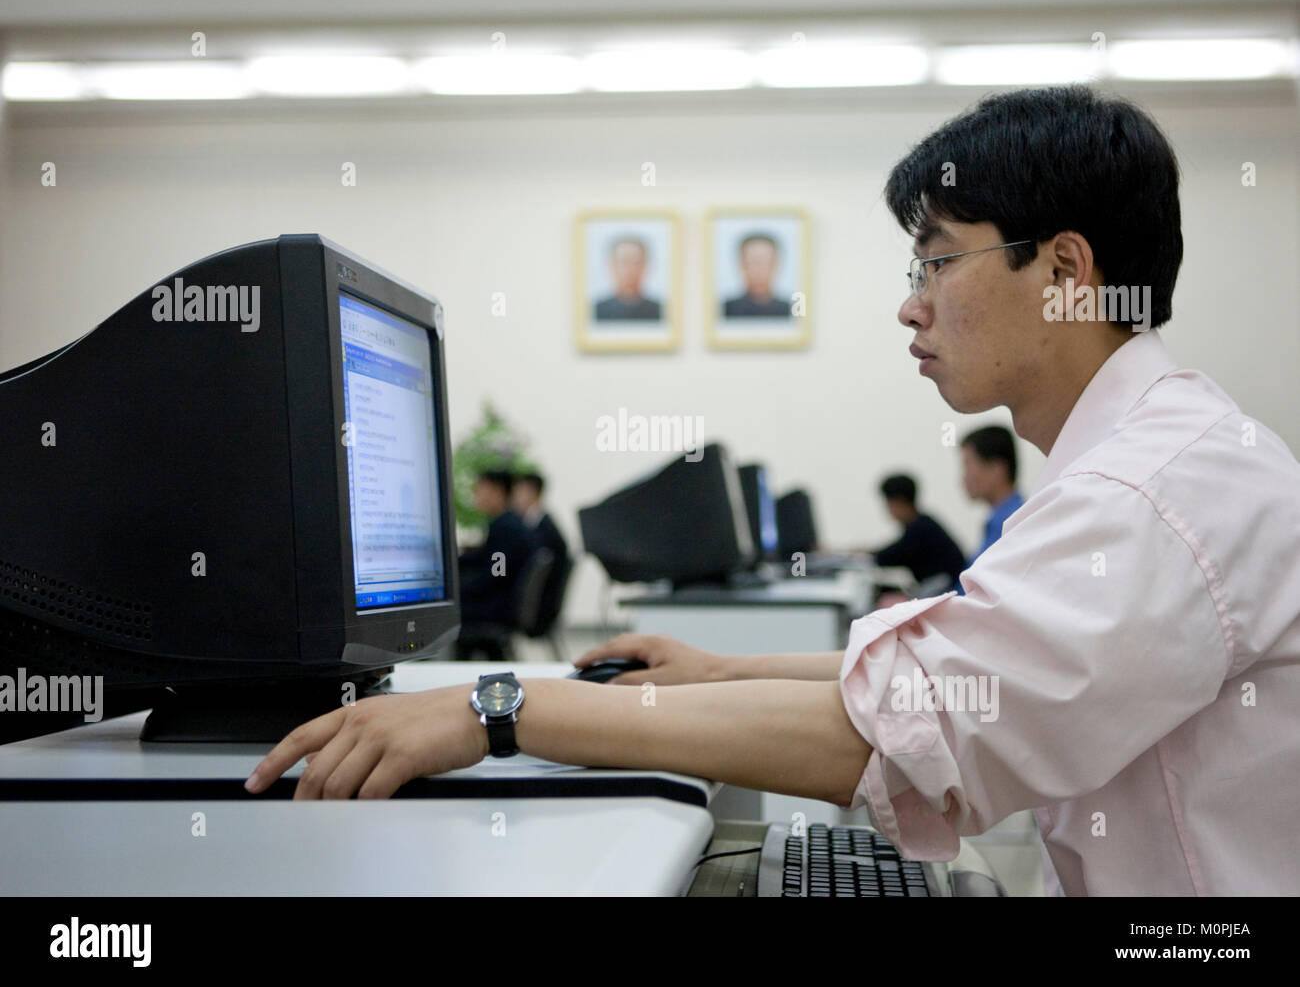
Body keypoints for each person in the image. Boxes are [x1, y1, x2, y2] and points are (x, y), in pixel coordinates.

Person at [247, 85, 1300, 896]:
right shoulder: (1153, 456)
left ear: (1066, 272)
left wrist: (503, 710)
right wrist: (719, 669)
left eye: (934, 263)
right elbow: (966, 653)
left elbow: (898, 736)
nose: (911, 307)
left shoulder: (1149, 492)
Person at [455, 469, 536, 631]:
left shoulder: (506, 528)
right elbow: (488, 558)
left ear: (497, 491)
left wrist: (456, 591)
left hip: (497, 609)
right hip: (502, 602)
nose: (476, 496)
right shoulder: (508, 523)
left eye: (480, 489)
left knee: (440, 612)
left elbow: (496, 574)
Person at [871, 474, 966, 589]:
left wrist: (865, 555)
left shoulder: (921, 528)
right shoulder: (922, 523)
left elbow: (891, 554)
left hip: (948, 587)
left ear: (899, 501)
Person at [512, 471, 571, 632]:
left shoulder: (543, 530)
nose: (514, 497)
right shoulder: (536, 523)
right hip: (538, 607)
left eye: (518, 491)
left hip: (537, 610)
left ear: (531, 492)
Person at [960, 425, 1024, 566]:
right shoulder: (1002, 521)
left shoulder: (1012, 524)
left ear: (996, 469)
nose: (964, 477)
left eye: (967, 465)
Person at [723, 234, 792, 319]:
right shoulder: (724, 310)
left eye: (764, 262)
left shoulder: (791, 311)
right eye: (753, 262)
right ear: (741, 264)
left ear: (776, 264)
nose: (758, 269)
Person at [593, 237, 661, 322]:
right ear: (612, 266)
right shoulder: (594, 311)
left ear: (645, 266)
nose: (630, 269)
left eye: (636, 262)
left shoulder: (661, 311)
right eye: (624, 262)